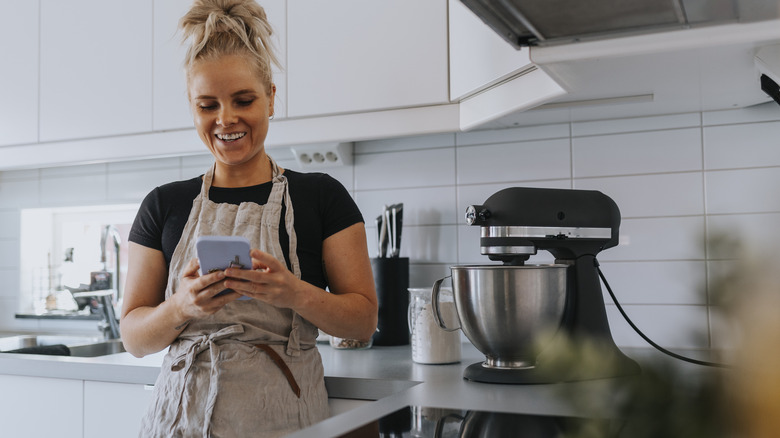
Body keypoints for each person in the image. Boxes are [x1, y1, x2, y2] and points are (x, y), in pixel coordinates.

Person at [119, 0, 378, 436]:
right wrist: (182, 305)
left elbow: (363, 320)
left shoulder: (321, 196)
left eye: (243, 100)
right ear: (191, 106)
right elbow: (134, 337)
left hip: (283, 419)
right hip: (177, 421)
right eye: (207, 105)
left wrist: (293, 291)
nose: (226, 120)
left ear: (271, 98)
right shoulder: (162, 204)